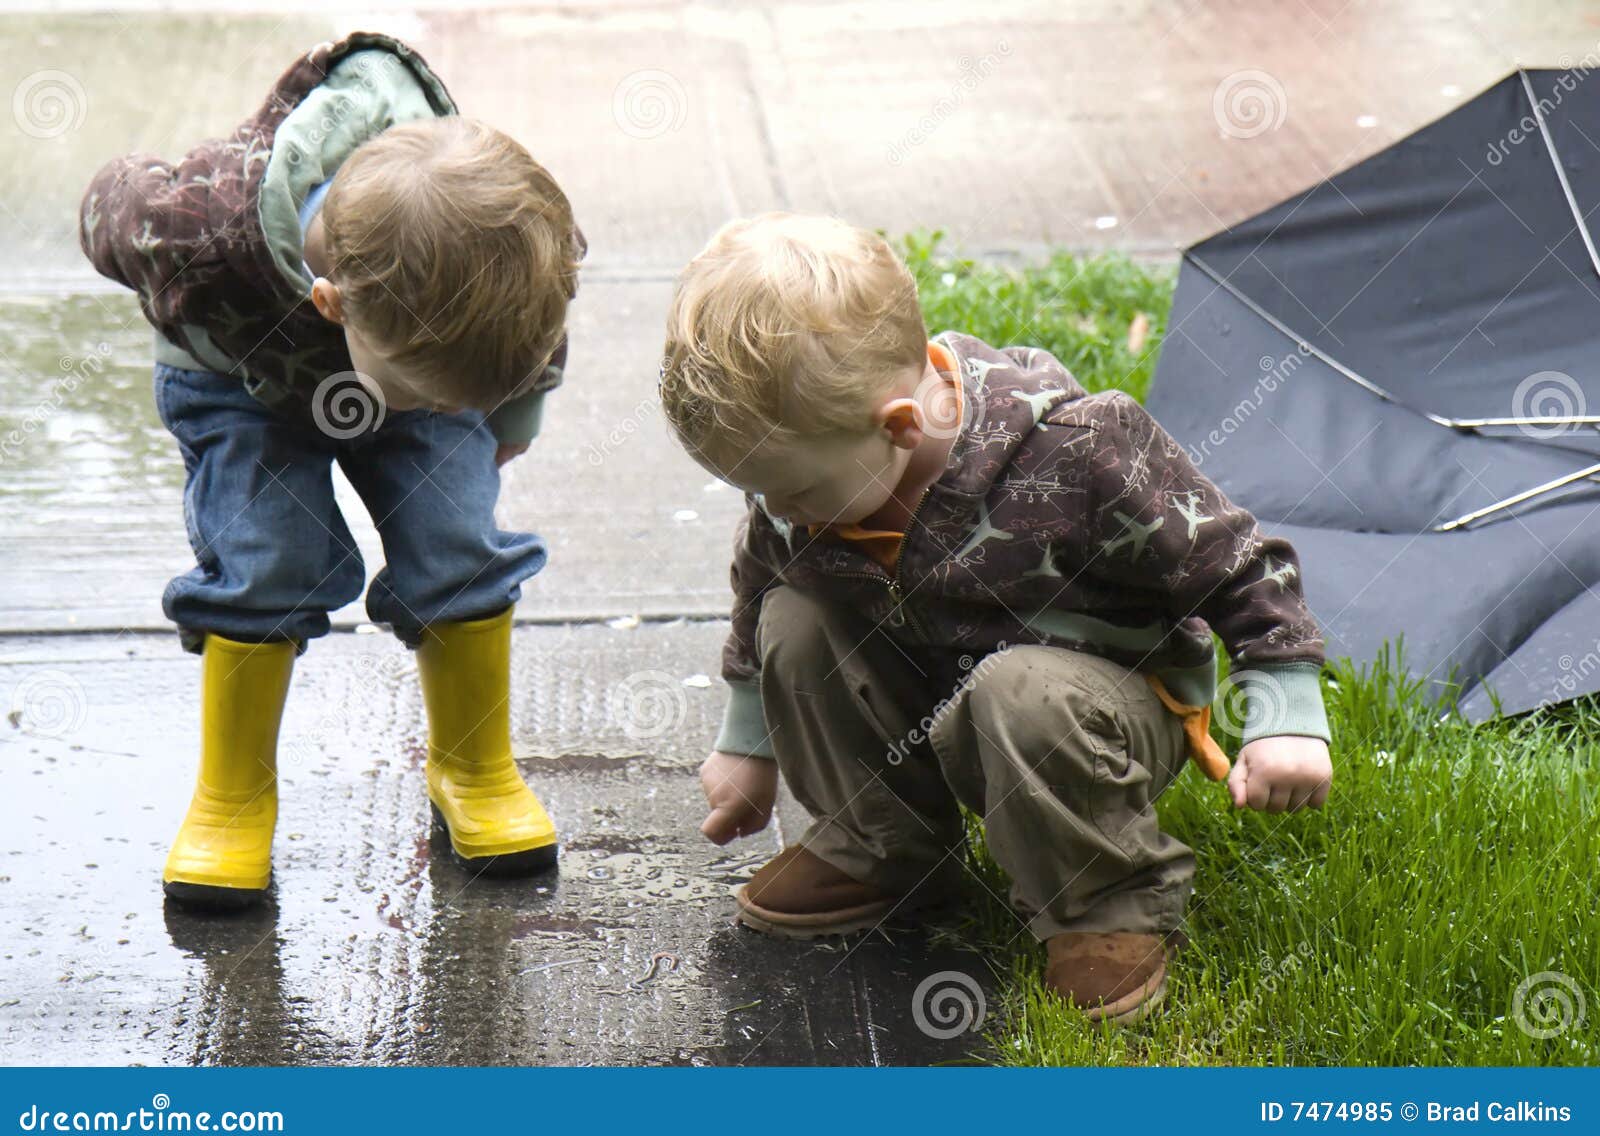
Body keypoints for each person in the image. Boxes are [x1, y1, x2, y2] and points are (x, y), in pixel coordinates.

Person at [656, 212, 1334, 1024]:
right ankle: (882, 847)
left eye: (791, 490)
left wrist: (1286, 712)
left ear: (900, 426)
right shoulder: (809, 485)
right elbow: (760, 580)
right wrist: (746, 742)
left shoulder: (1080, 451)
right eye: (756, 489)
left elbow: (1238, 561)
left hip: (1097, 706)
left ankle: (1102, 900)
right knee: (794, 618)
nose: (776, 510)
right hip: (933, 683)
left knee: (1019, 689)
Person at [78, 33, 585, 908]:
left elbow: (527, 325)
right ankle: (232, 796)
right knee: (265, 553)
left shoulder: (499, 234)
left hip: (403, 344)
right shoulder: (200, 230)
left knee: (456, 531)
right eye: (435, 395)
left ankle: (472, 767)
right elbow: (111, 202)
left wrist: (509, 408)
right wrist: (139, 239)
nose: (440, 412)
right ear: (332, 303)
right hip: (239, 371)